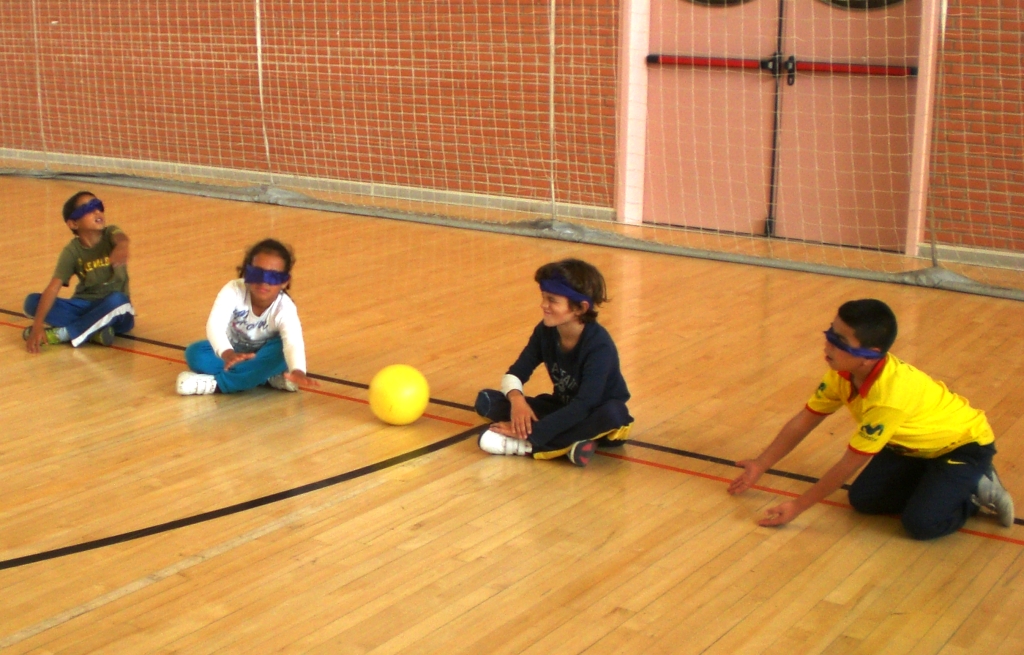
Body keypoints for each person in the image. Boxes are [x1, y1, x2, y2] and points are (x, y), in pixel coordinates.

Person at [728, 298, 1015, 540]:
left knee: (921, 524)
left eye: (839, 341)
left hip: (963, 447)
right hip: (910, 447)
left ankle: (976, 488)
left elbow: (849, 463)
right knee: (863, 501)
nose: (828, 345)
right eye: (830, 333)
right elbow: (805, 419)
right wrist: (761, 464)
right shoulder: (841, 372)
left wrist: (798, 507)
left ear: (869, 356)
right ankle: (939, 482)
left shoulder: (888, 397)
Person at [475, 258, 633, 467]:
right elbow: (516, 373)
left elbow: (585, 405)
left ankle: (529, 446)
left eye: (552, 300)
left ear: (580, 308)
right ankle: (572, 444)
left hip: (595, 414)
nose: (543, 305)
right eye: (543, 297)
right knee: (487, 400)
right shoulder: (545, 331)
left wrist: (532, 433)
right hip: (563, 407)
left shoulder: (599, 346)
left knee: (614, 413)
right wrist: (517, 401)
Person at [176, 238, 317, 395]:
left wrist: (298, 370)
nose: (264, 282)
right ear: (246, 272)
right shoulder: (233, 289)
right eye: (257, 273)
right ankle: (263, 376)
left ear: (284, 282)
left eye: (273, 277)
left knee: (281, 354)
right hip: (233, 352)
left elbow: (293, 343)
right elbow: (215, 325)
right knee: (195, 353)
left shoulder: (285, 308)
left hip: (265, 354)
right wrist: (227, 353)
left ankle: (218, 385)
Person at [24, 191, 135, 352]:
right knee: (32, 302)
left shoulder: (110, 233)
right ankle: (95, 332)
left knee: (119, 300)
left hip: (117, 313)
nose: (97, 212)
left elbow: (121, 238)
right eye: (88, 209)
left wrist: (122, 247)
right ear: (73, 224)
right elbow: (54, 287)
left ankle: (65, 334)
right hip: (84, 305)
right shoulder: (72, 251)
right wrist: (37, 324)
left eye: (98, 206)